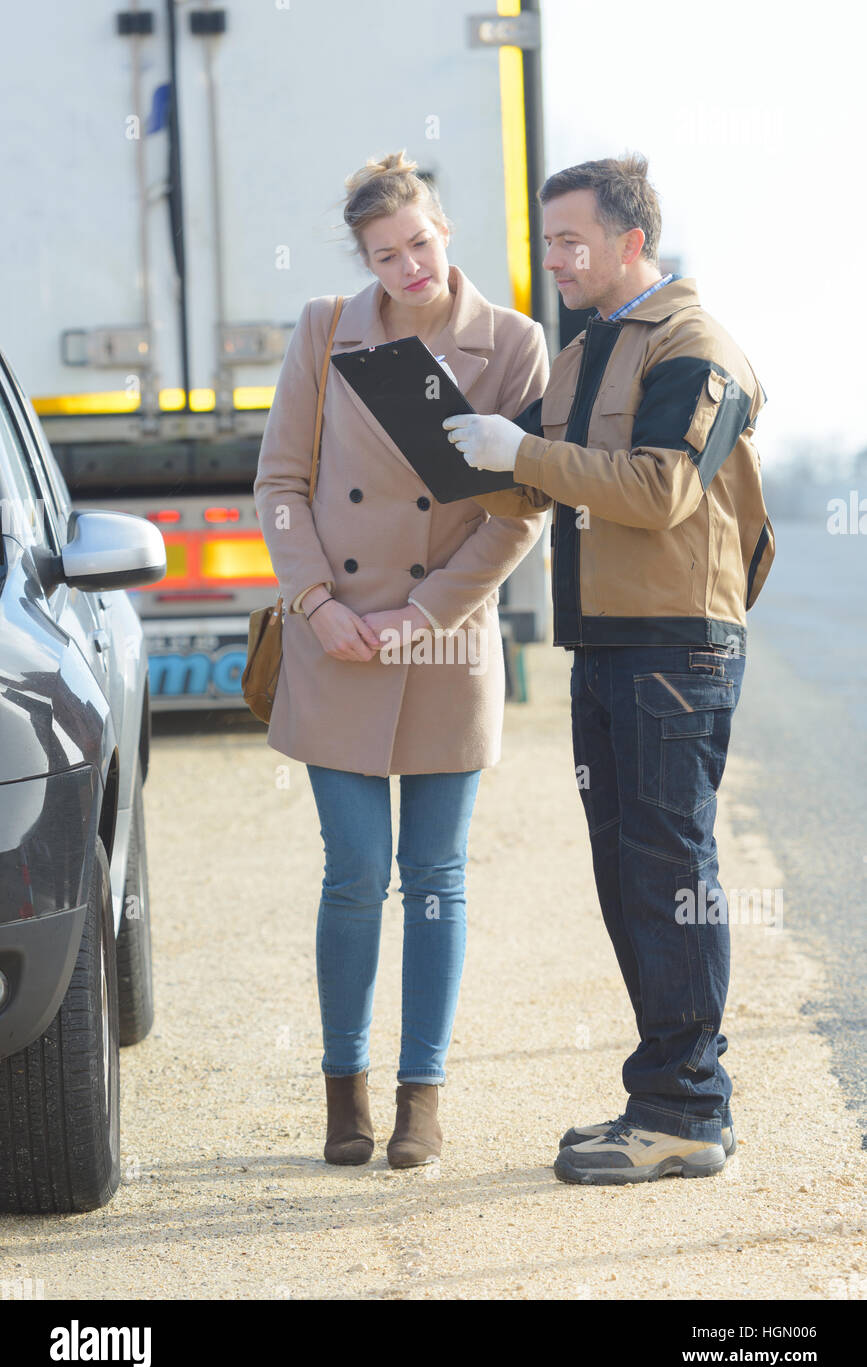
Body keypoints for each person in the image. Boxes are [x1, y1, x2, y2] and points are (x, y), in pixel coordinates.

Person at [443, 152, 775, 1185]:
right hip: (608, 649)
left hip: (678, 650)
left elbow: (662, 489)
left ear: (635, 241)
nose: (555, 259)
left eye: (573, 239)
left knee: (673, 878)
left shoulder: (694, 343)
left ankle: (687, 1108)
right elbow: (541, 487)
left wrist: (522, 452)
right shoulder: (587, 354)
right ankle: (664, 1097)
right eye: (548, 241)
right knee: (629, 877)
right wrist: (452, 455)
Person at [254, 152, 548, 1169]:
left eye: (419, 242)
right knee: (357, 871)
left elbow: (519, 516)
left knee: (434, 877)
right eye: (386, 255)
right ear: (365, 259)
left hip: (445, 639)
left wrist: (423, 613)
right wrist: (315, 600)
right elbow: (282, 483)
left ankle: (422, 1096)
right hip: (336, 639)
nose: (408, 265)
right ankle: (346, 1090)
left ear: (444, 229)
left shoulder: (513, 345)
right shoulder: (326, 329)